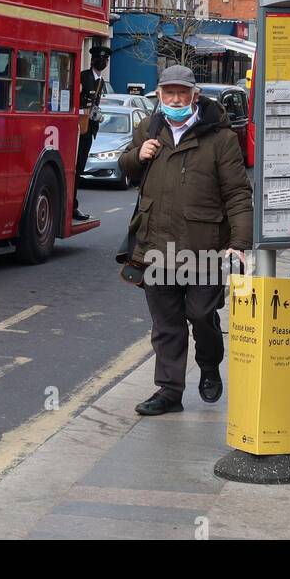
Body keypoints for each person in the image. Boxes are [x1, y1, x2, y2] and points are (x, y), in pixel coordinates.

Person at [119, 65, 253, 416]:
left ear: (195, 96)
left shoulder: (220, 138)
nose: (175, 99)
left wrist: (239, 242)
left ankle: (208, 366)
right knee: (166, 323)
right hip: (156, 244)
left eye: (182, 93)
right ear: (159, 95)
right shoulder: (148, 129)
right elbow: (126, 168)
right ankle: (169, 391)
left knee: (202, 314)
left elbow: (238, 193)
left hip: (204, 246)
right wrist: (138, 155)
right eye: (169, 93)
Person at [74, 45, 110, 221]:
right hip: (79, 129)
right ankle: (72, 206)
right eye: (99, 59)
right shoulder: (82, 77)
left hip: (89, 129)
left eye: (104, 60)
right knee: (74, 169)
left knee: (79, 169)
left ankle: (72, 205)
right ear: (93, 60)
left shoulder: (101, 81)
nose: (102, 62)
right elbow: (76, 103)